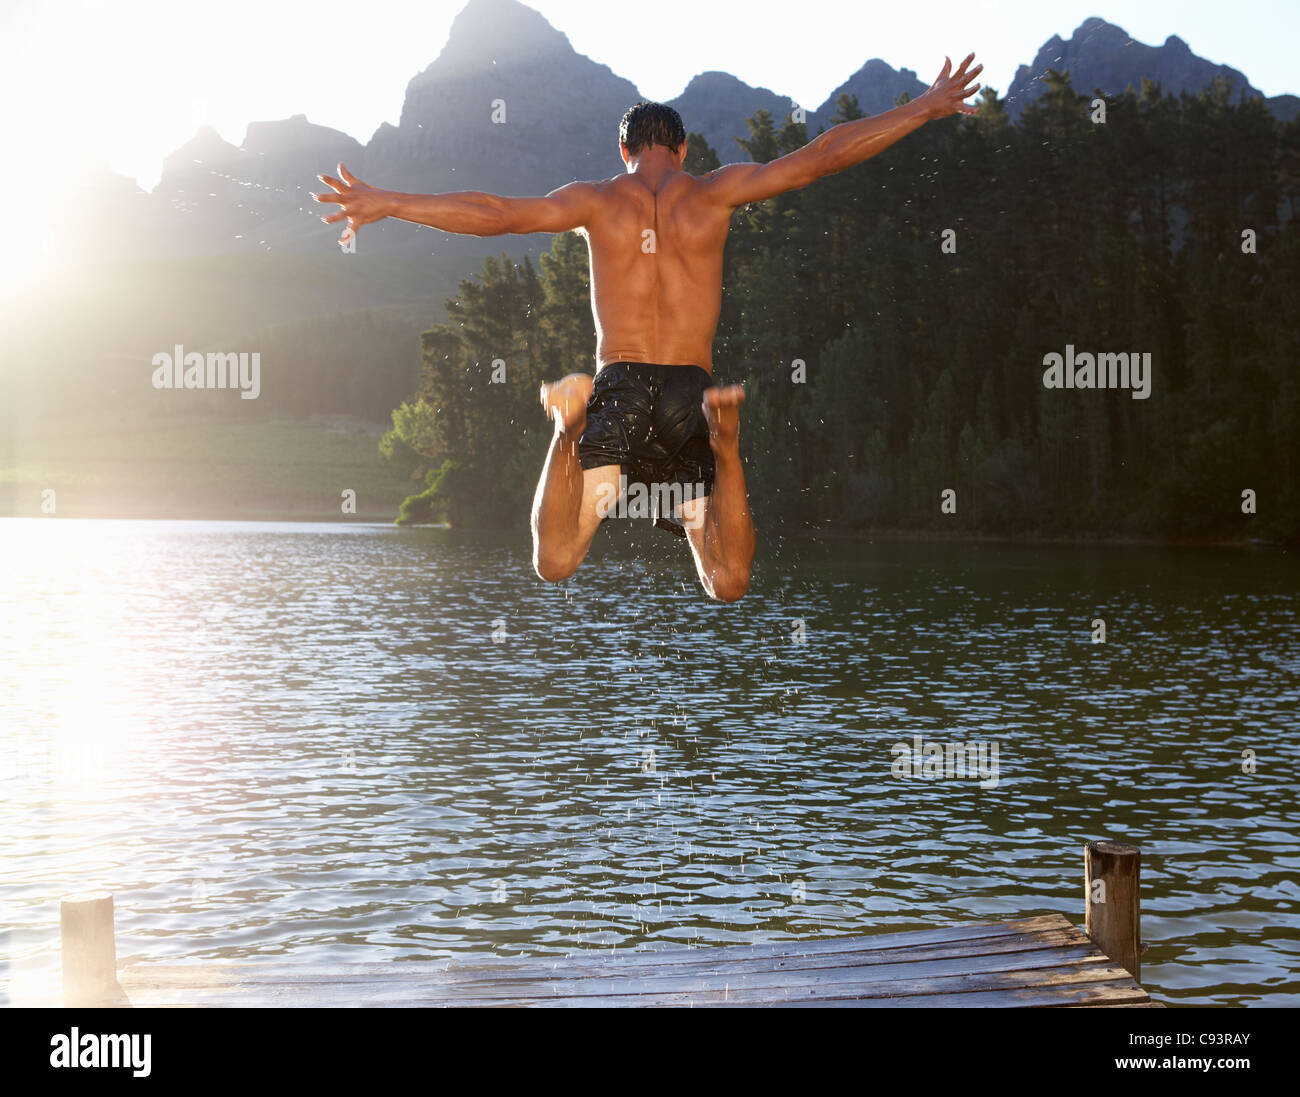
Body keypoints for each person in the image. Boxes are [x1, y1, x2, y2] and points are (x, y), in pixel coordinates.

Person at [314, 54, 982, 601]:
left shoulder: (597, 200)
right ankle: (725, 445)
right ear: (683, 148)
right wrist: (923, 106)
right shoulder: (714, 191)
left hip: (621, 386)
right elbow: (819, 158)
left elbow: (498, 213)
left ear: (625, 149)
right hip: (688, 393)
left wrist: (390, 202)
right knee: (726, 581)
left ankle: (569, 426)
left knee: (555, 561)